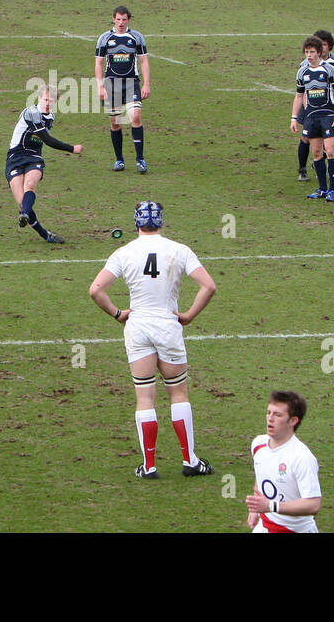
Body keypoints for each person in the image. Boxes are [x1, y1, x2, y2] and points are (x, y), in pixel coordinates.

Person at [89, 201, 217, 480]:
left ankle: (149, 465)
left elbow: (96, 290)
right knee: (179, 394)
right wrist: (189, 315)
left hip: (138, 328)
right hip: (168, 326)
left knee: (145, 396)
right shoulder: (180, 250)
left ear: (136, 224)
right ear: (161, 222)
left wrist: (118, 313)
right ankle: (189, 460)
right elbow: (209, 286)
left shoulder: (124, 252)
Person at [5, 86, 82, 244]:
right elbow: (47, 140)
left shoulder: (50, 116)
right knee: (21, 203)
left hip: (34, 158)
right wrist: (71, 148)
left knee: (30, 185)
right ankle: (44, 234)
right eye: (45, 99)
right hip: (15, 157)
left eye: (51, 101)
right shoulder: (31, 113)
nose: (47, 103)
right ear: (39, 98)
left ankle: (25, 215)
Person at [245, 390, 321, 533]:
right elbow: (262, 476)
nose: (270, 419)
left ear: (293, 421)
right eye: (269, 413)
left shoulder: (302, 457)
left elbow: (313, 505)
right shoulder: (258, 444)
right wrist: (256, 508)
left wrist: (270, 506)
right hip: (265, 526)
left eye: (277, 415)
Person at [95, 5, 150, 173]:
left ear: (128, 20)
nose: (120, 23)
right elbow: (99, 63)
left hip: (131, 82)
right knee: (116, 122)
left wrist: (146, 84)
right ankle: (119, 160)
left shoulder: (136, 37)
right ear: (113, 19)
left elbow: (144, 61)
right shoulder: (105, 38)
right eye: (118, 19)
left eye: (124, 20)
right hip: (112, 84)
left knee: (135, 117)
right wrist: (100, 86)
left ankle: (140, 159)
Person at [290, 36, 334, 202]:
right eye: (307, 52)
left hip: (328, 115)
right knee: (316, 152)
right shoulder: (302, 72)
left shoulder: (330, 69)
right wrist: (293, 118)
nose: (309, 55)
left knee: (330, 149)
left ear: (319, 52)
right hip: (311, 117)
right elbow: (299, 96)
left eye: (312, 52)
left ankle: (332, 190)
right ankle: (322, 188)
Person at [296, 30, 334, 183]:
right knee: (305, 137)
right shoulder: (304, 67)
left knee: (331, 140)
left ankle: (321, 164)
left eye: (325, 44)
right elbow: (301, 92)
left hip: (328, 106)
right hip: (309, 106)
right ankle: (302, 168)